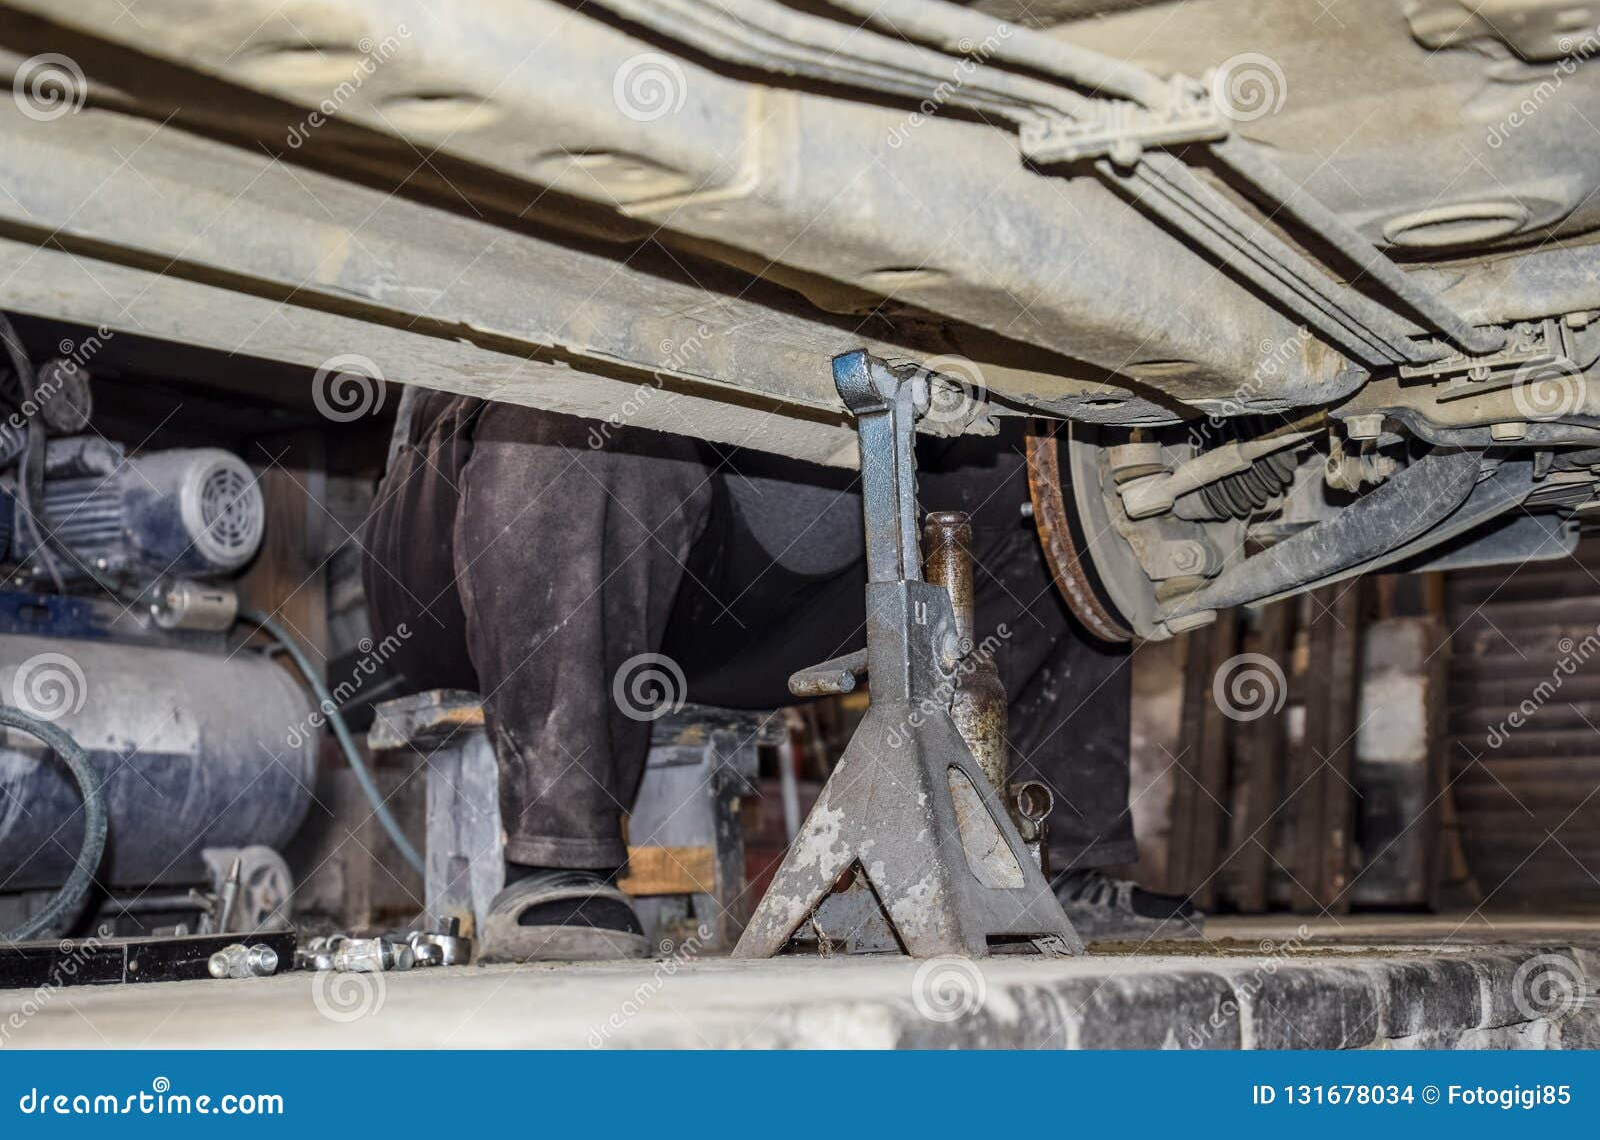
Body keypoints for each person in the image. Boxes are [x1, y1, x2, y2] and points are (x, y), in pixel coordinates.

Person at [362, 389, 1203, 961]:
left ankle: (1028, 855)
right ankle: (560, 862)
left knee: (1041, 477)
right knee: (583, 409)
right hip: (487, 528)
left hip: (731, 584)